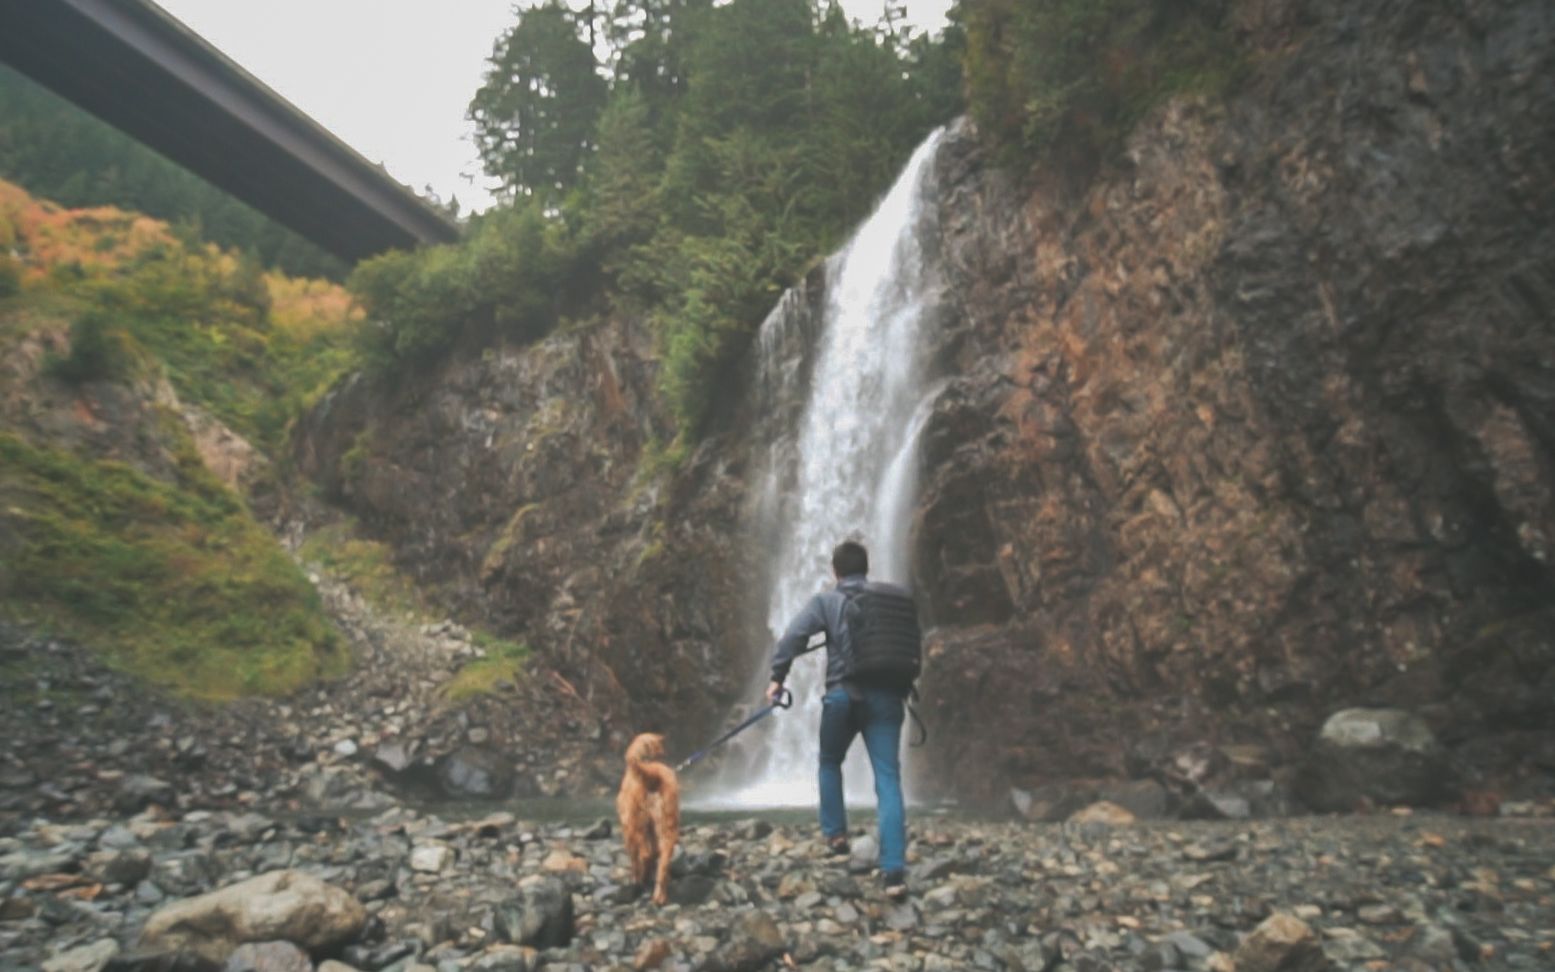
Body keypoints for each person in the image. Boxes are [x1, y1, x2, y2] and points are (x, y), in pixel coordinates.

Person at [766, 539, 914, 899]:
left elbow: (793, 638)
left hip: (843, 696)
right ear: (867, 568)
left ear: (835, 571)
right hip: (887, 697)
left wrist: (778, 677)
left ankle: (836, 836)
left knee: (830, 761)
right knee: (888, 779)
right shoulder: (891, 601)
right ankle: (893, 871)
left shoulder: (827, 601)